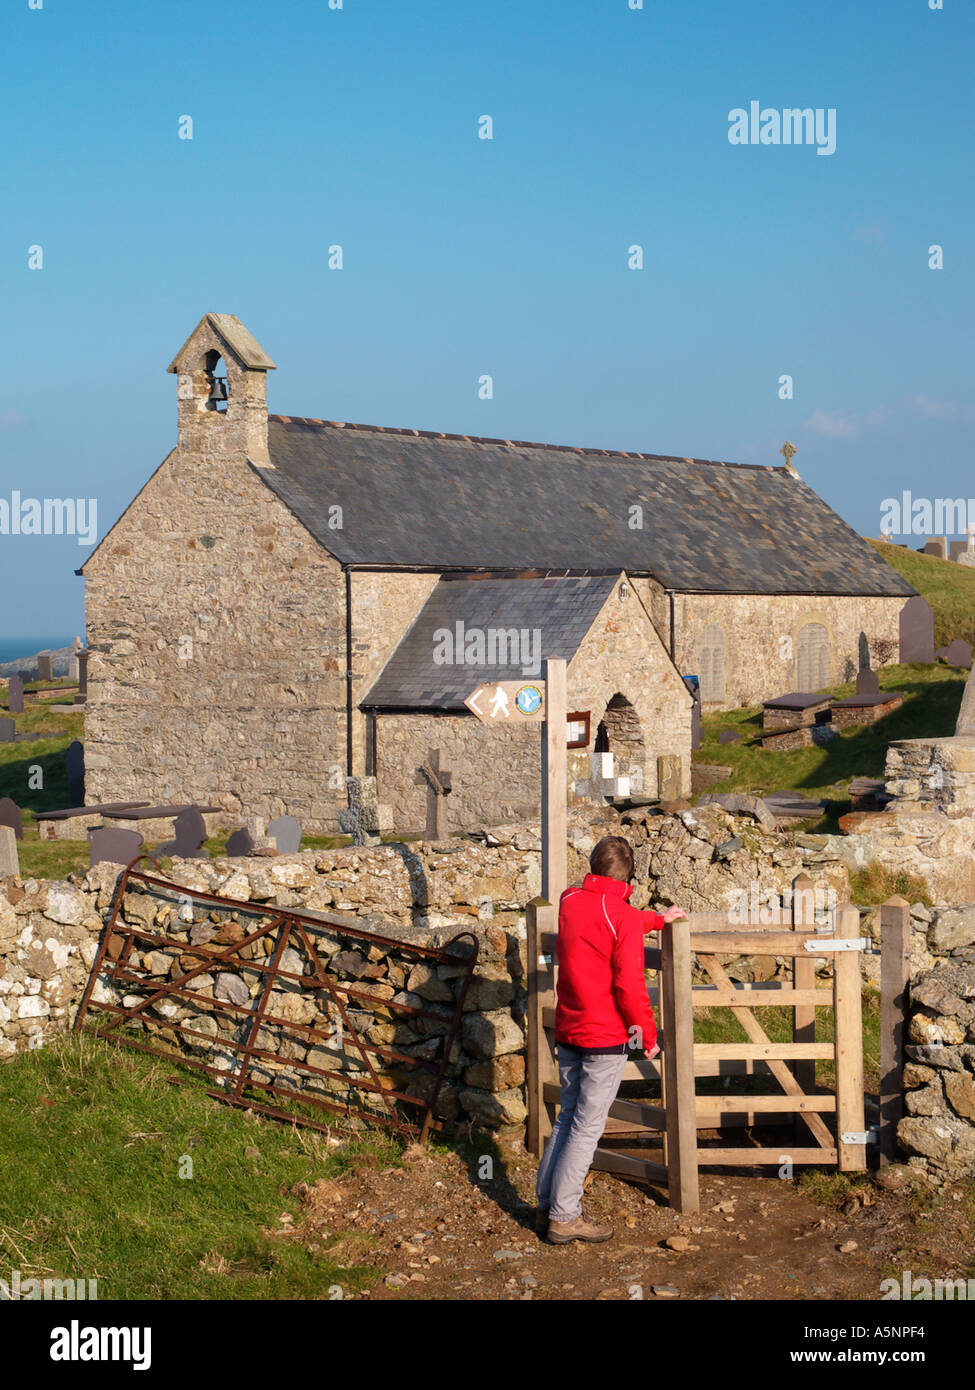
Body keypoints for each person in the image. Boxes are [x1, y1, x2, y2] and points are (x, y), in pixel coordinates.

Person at [535, 834, 687, 1245]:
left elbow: (612, 915)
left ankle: (548, 1200)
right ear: (629, 877)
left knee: (568, 1117)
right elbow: (630, 986)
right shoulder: (618, 915)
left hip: (569, 1030)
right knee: (587, 1127)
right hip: (604, 1037)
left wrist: (657, 919)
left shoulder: (570, 900)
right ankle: (564, 1217)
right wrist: (648, 1036)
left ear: (592, 866)